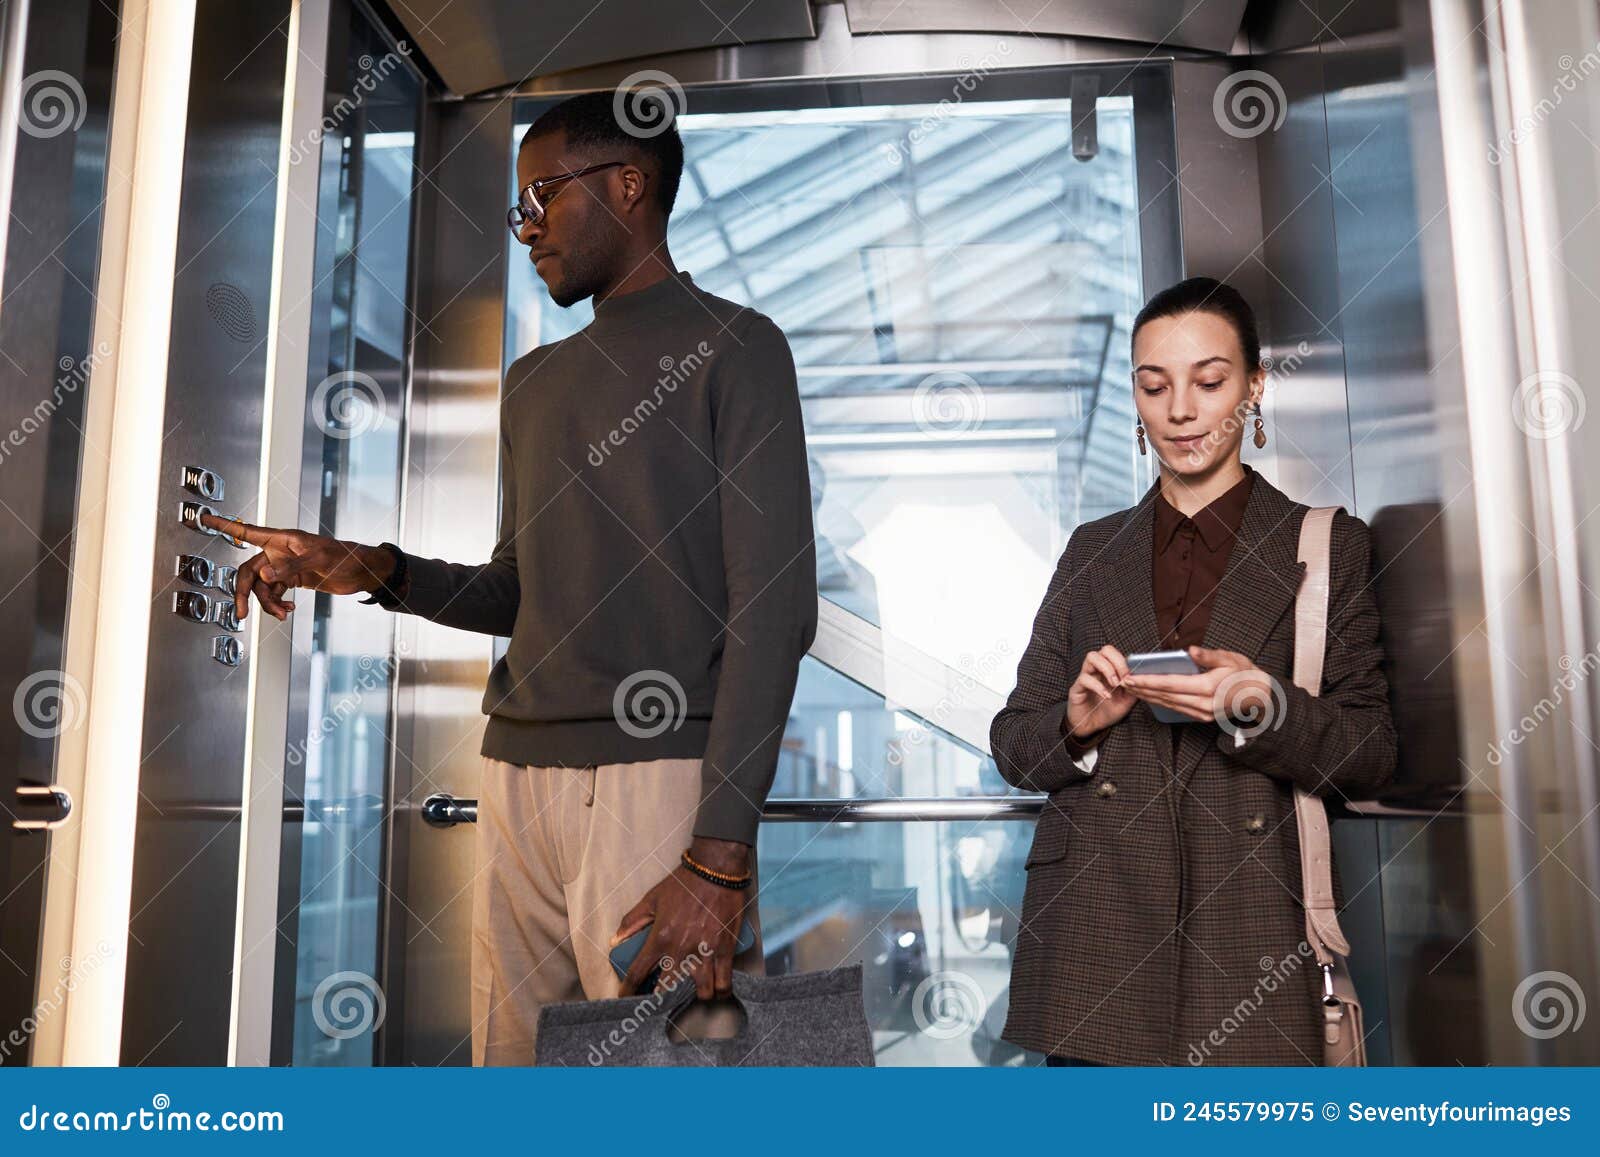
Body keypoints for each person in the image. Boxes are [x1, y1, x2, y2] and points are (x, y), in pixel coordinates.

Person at [202, 89, 817, 1065]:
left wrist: (718, 854)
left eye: (543, 197)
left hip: (658, 784)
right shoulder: (533, 383)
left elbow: (774, 610)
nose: (527, 227)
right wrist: (363, 567)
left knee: (671, 1083)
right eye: (518, 207)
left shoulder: (738, 349)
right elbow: (515, 589)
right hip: (514, 774)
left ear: (629, 185)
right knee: (514, 1073)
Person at [990, 276, 1396, 1066]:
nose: (1181, 410)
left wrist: (1261, 703)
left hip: (1251, 926)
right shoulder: (1093, 549)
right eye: (1155, 385)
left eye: (1209, 381)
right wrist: (1077, 725)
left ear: (1254, 388)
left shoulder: (1325, 544)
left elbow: (1371, 748)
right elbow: (1013, 744)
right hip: (1095, 941)